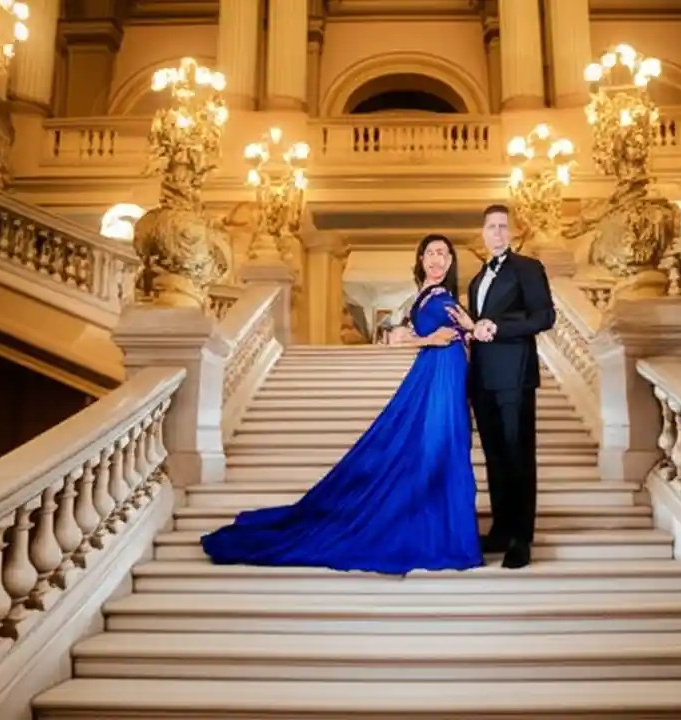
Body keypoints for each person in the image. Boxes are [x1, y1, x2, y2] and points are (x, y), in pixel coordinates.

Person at [201, 234, 483, 574]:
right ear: (421, 260)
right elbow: (396, 340)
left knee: (438, 450)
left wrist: (463, 331)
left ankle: (443, 532)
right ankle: (433, 530)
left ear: (450, 262)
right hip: (432, 372)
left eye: (443, 254)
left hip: (445, 374)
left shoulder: (442, 297)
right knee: (423, 450)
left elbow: (463, 338)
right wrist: (429, 339)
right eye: (431, 253)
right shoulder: (425, 297)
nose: (438, 259)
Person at [447, 204, 555, 569]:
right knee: (494, 457)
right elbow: (479, 326)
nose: (497, 232)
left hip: (515, 376)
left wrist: (500, 327)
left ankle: (522, 540)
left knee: (518, 457)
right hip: (483, 380)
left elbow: (545, 316)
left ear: (512, 232)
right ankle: (502, 528)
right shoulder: (478, 279)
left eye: (503, 226)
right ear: (483, 233)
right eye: (491, 227)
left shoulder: (527, 268)